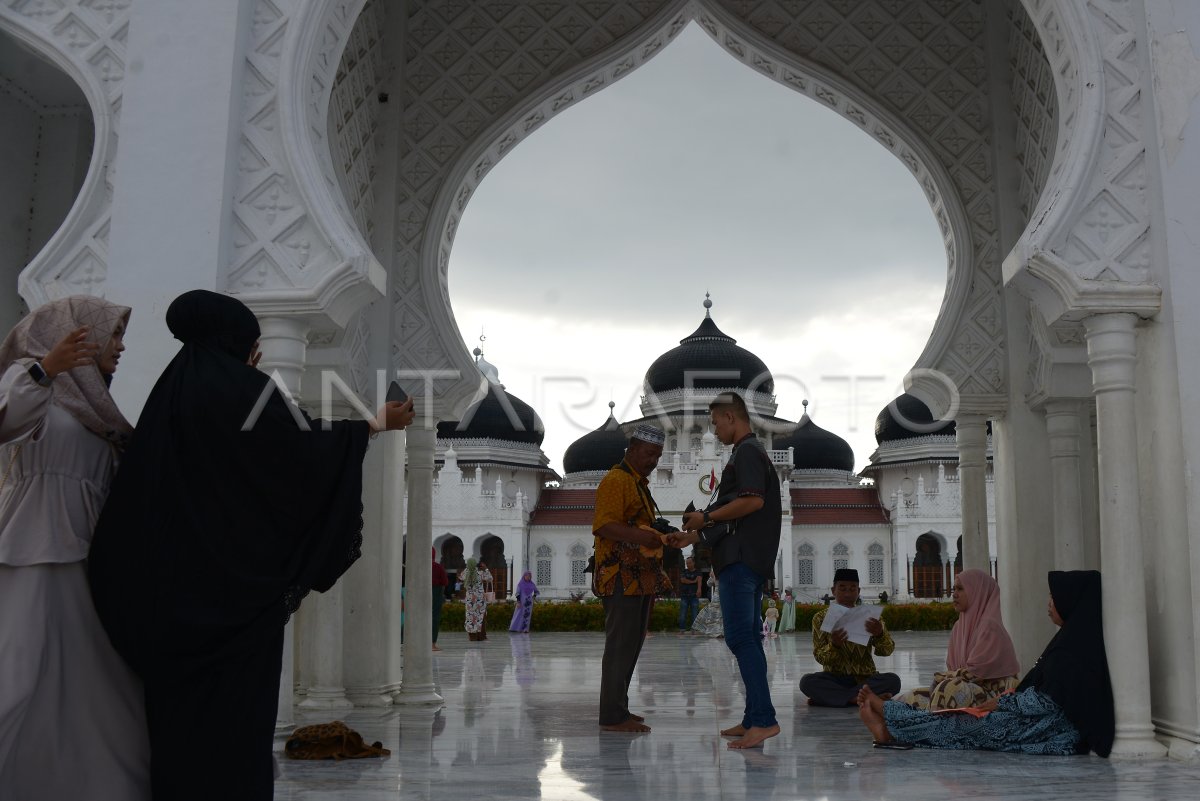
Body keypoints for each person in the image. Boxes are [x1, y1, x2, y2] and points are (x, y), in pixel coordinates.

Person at [87, 289, 414, 801]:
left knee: (177, 732)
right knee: (233, 735)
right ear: (237, 339)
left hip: (167, 603)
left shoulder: (170, 390)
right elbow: (297, 455)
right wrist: (376, 425)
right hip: (233, 605)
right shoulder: (244, 391)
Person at [0, 297, 150, 800]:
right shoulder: (29, 382)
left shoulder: (95, 410)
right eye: (113, 334)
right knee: (18, 676)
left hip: (87, 556)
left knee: (95, 685)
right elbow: (6, 420)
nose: (121, 346)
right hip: (32, 550)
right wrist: (45, 370)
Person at [859, 570, 1114, 757]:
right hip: (1030, 720)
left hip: (1047, 731)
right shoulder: (1069, 641)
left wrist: (1002, 702)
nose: (1048, 604)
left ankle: (890, 723)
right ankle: (890, 723)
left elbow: (1047, 701)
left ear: (1071, 601)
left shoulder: (1072, 652)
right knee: (961, 724)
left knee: (966, 728)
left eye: (1054, 597)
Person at [672, 392, 782, 749]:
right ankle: (754, 717)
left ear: (731, 417)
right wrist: (694, 534)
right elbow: (735, 516)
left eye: (717, 422)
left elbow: (752, 501)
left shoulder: (748, 451)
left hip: (740, 561)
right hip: (746, 558)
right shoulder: (745, 453)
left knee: (739, 638)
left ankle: (764, 720)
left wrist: (706, 516)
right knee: (749, 636)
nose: (715, 430)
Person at [592, 423, 673, 733]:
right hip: (620, 576)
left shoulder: (637, 483)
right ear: (633, 449)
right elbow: (604, 525)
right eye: (649, 453)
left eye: (658, 455)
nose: (653, 460)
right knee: (620, 646)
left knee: (632, 645)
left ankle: (619, 707)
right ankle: (612, 716)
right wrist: (643, 537)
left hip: (639, 577)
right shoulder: (616, 480)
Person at [896, 568, 1019, 710]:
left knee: (948, 689)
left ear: (977, 592)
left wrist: (943, 678)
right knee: (914, 696)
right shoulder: (959, 627)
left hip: (993, 695)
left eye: (960, 589)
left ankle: (933, 729)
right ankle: (894, 716)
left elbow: (976, 673)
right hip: (966, 687)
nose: (954, 594)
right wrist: (945, 678)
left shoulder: (990, 627)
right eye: (954, 589)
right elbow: (954, 670)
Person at [799, 568, 900, 707]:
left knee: (893, 681)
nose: (847, 594)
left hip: (865, 678)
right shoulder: (820, 618)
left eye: (852, 589)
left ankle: (836, 698)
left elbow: (887, 651)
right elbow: (819, 656)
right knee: (807, 682)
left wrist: (879, 634)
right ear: (833, 590)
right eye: (842, 588)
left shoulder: (871, 618)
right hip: (834, 678)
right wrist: (834, 645)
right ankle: (861, 697)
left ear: (858, 591)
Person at [462, 557, 492, 641]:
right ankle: (481, 636)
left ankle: (472, 637)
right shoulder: (480, 573)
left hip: (470, 600)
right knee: (480, 617)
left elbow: (461, 577)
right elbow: (490, 578)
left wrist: (468, 568)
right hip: (480, 600)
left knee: (470, 618)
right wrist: (485, 568)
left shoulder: (465, 573)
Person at [691, 572, 724, 637]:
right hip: (722, 596)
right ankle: (719, 632)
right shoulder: (725, 573)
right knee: (720, 615)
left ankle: (718, 632)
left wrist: (713, 578)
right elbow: (709, 583)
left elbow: (709, 583)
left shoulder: (715, 573)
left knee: (716, 615)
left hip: (718, 596)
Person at [677, 555, 701, 631]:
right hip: (684, 596)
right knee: (682, 614)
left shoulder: (698, 572)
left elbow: (699, 581)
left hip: (694, 596)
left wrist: (699, 589)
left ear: (693, 563)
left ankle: (694, 629)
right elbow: (683, 580)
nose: (688, 565)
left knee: (695, 614)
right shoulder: (684, 571)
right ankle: (682, 629)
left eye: (690, 563)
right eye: (687, 563)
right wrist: (693, 581)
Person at [432, 547, 449, 652]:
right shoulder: (438, 567)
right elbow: (445, 582)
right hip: (436, 592)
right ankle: (432, 644)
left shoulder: (419, 566)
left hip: (420, 594)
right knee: (434, 618)